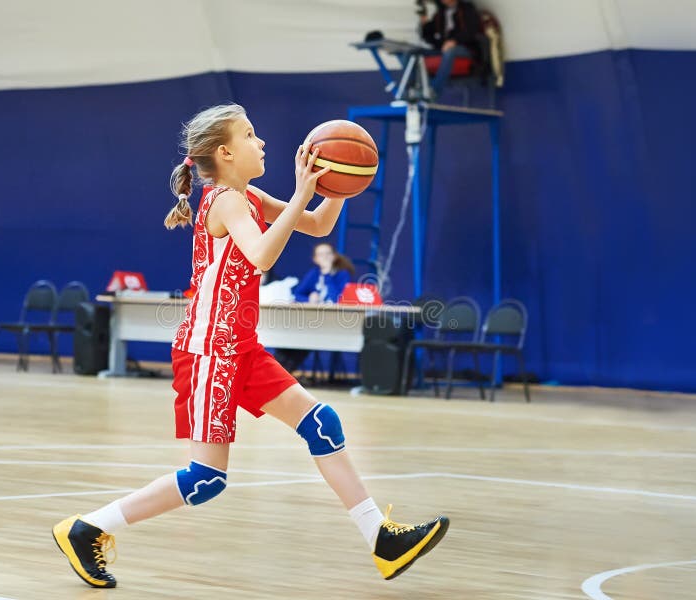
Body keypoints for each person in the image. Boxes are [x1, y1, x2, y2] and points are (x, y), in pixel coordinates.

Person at [52, 104, 449, 588]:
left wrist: (335, 185)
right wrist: (302, 192)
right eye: (250, 135)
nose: (261, 143)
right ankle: (87, 528)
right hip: (208, 351)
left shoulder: (249, 196)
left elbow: (318, 226)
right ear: (225, 153)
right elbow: (261, 256)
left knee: (321, 424)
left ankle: (380, 538)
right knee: (205, 479)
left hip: (240, 346)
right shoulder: (225, 201)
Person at [276, 243, 354, 374]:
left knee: (306, 338)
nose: (325, 257)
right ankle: (281, 370)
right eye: (321, 255)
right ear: (315, 259)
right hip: (310, 321)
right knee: (293, 337)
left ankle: (284, 371)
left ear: (334, 256)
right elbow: (297, 294)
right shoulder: (314, 273)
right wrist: (309, 300)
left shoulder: (342, 274)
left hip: (333, 321)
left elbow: (337, 298)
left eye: (328, 254)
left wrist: (328, 274)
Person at [420, 0, 482, 97]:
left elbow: (472, 31)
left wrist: (455, 41)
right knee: (414, 52)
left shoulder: (466, 8)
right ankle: (415, 88)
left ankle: (434, 91)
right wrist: (424, 26)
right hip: (444, 48)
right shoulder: (440, 14)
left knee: (450, 52)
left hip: (466, 47)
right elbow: (430, 37)